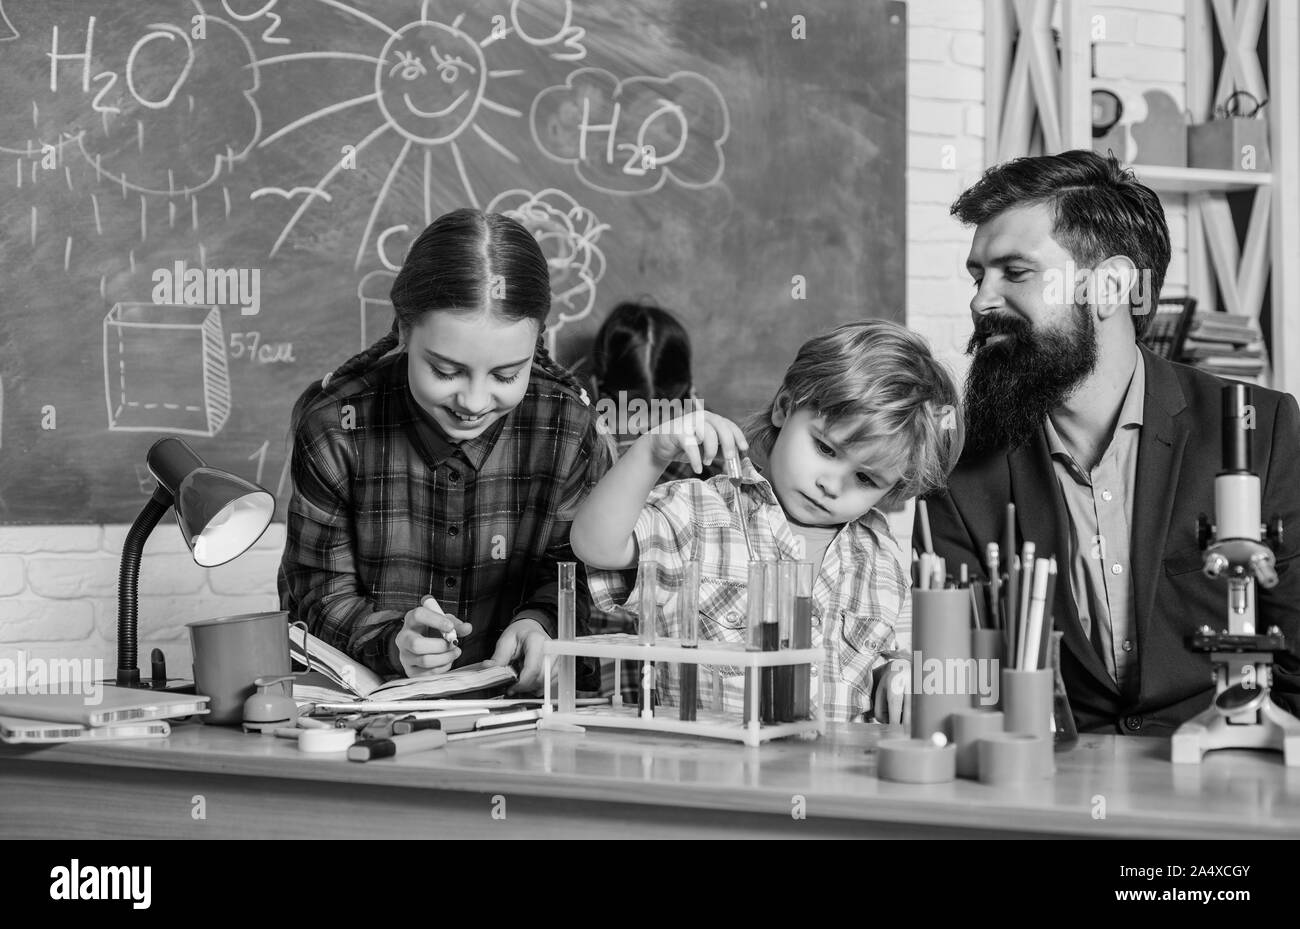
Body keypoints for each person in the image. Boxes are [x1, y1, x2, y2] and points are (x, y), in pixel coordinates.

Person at [922, 150, 1300, 736]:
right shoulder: (958, 472)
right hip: (1051, 792)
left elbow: (1297, 655)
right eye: (978, 276)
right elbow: (966, 683)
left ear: (1111, 285)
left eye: (1015, 272)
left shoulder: (1262, 428)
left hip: (1232, 775)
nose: (980, 302)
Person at [279, 208, 607, 693]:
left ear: (537, 341)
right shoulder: (336, 428)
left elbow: (580, 575)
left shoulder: (567, 427)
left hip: (525, 720)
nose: (473, 402)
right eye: (446, 371)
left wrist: (541, 623)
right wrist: (394, 641)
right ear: (405, 330)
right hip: (372, 723)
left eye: (505, 375)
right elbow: (315, 596)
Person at [572, 320, 964, 722]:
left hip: (832, 778)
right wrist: (653, 452)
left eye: (865, 479)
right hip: (708, 774)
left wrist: (897, 674)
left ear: (893, 488)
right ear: (784, 407)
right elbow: (595, 544)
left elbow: (887, 665)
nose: (831, 484)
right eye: (825, 449)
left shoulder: (880, 560)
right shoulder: (701, 514)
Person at [578, 300, 711, 483]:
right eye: (633, 402)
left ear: (684, 384)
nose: (647, 420)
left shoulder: (695, 413)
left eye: (662, 402)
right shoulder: (587, 415)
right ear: (603, 379)